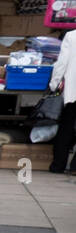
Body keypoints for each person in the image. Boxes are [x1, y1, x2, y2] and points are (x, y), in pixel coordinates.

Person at [48, 27, 76, 174]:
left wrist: (54, 84)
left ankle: (58, 165)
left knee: (66, 128)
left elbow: (62, 64)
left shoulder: (71, 36)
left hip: (73, 91)